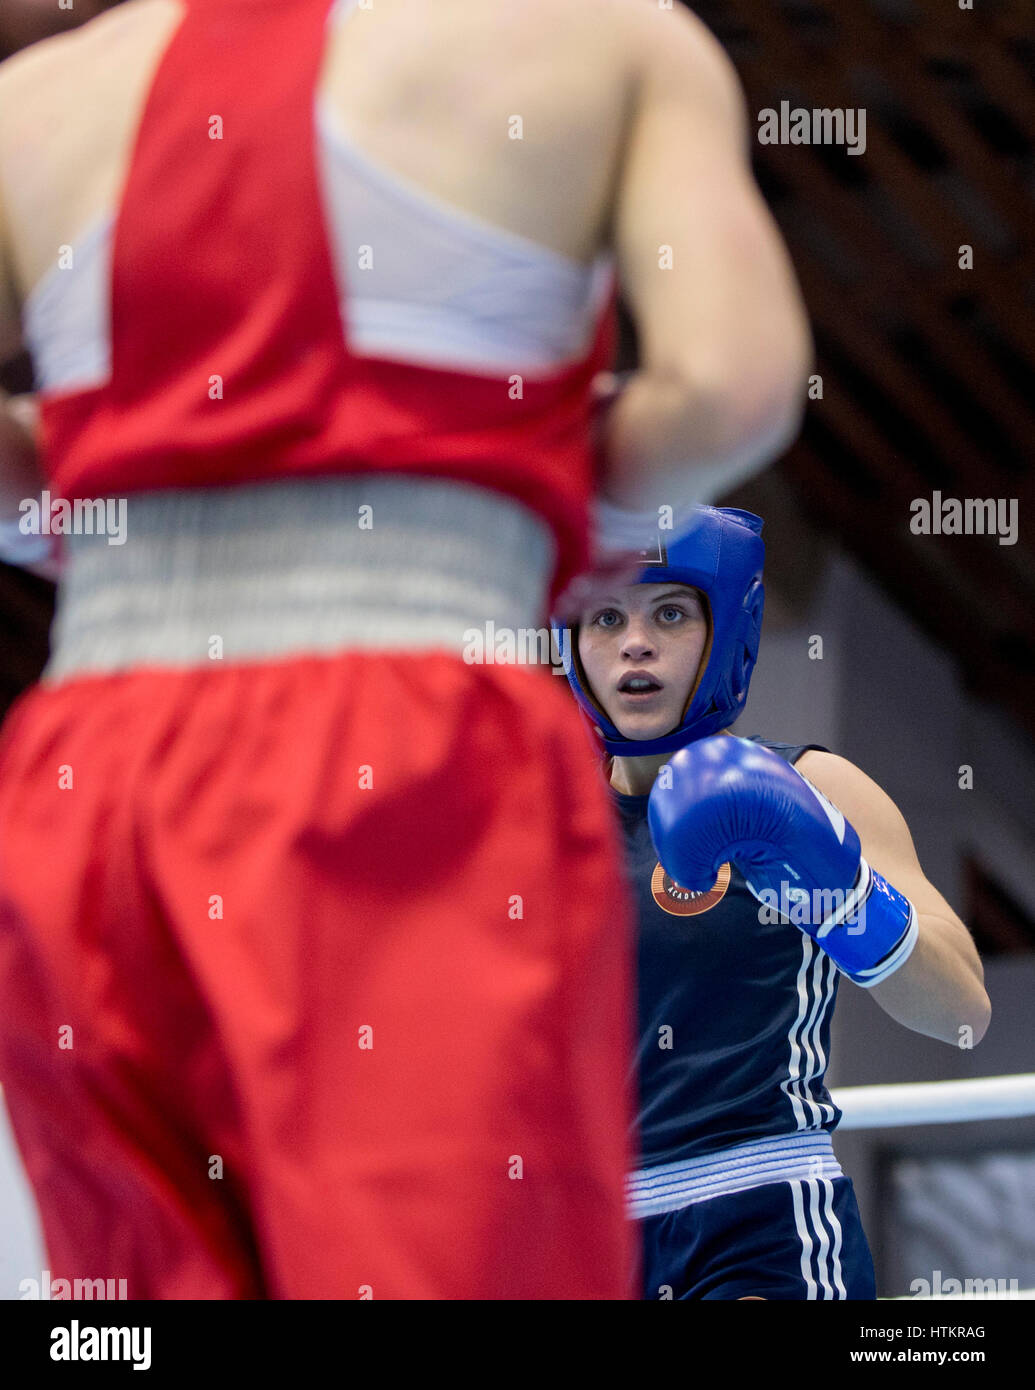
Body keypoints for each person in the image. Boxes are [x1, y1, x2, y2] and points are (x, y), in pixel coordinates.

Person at [0, 0, 811, 1298]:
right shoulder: (603, 39)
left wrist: (101, 511)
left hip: (86, 765)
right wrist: (534, 506)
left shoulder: (43, 97)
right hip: (405, 741)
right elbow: (734, 387)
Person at [555, 505, 991, 1300]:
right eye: (606, 614)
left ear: (729, 632)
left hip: (759, 1220)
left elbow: (960, 1010)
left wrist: (836, 887)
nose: (634, 642)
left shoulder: (816, 788)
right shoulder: (541, 831)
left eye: (671, 613)